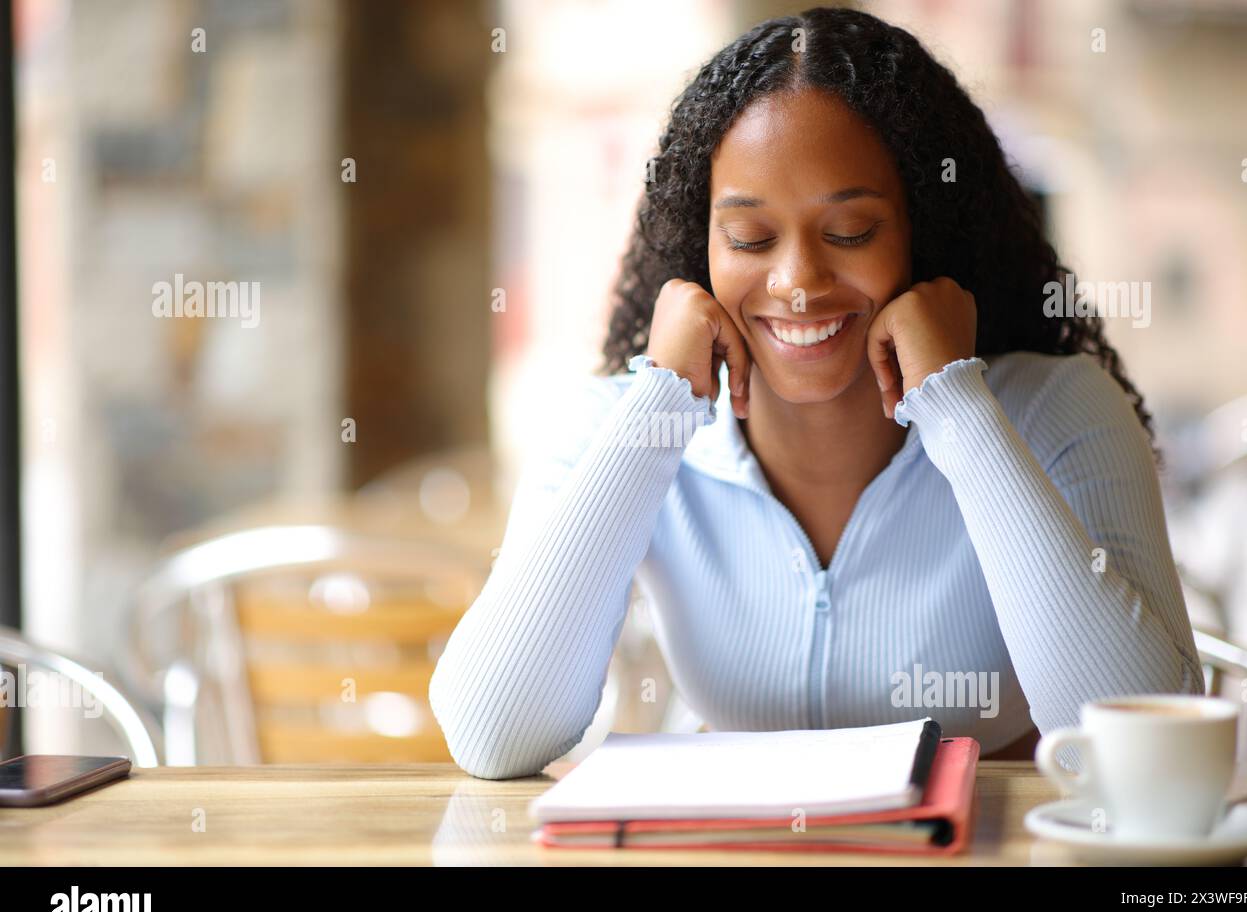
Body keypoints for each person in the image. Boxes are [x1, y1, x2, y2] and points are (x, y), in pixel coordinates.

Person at [429, 6, 1203, 780]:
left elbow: (1147, 756)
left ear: (923, 234)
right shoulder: (620, 424)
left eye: (851, 232)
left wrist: (960, 410)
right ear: (700, 247)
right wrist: (661, 404)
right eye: (750, 239)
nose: (797, 282)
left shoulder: (1060, 410)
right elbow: (493, 734)